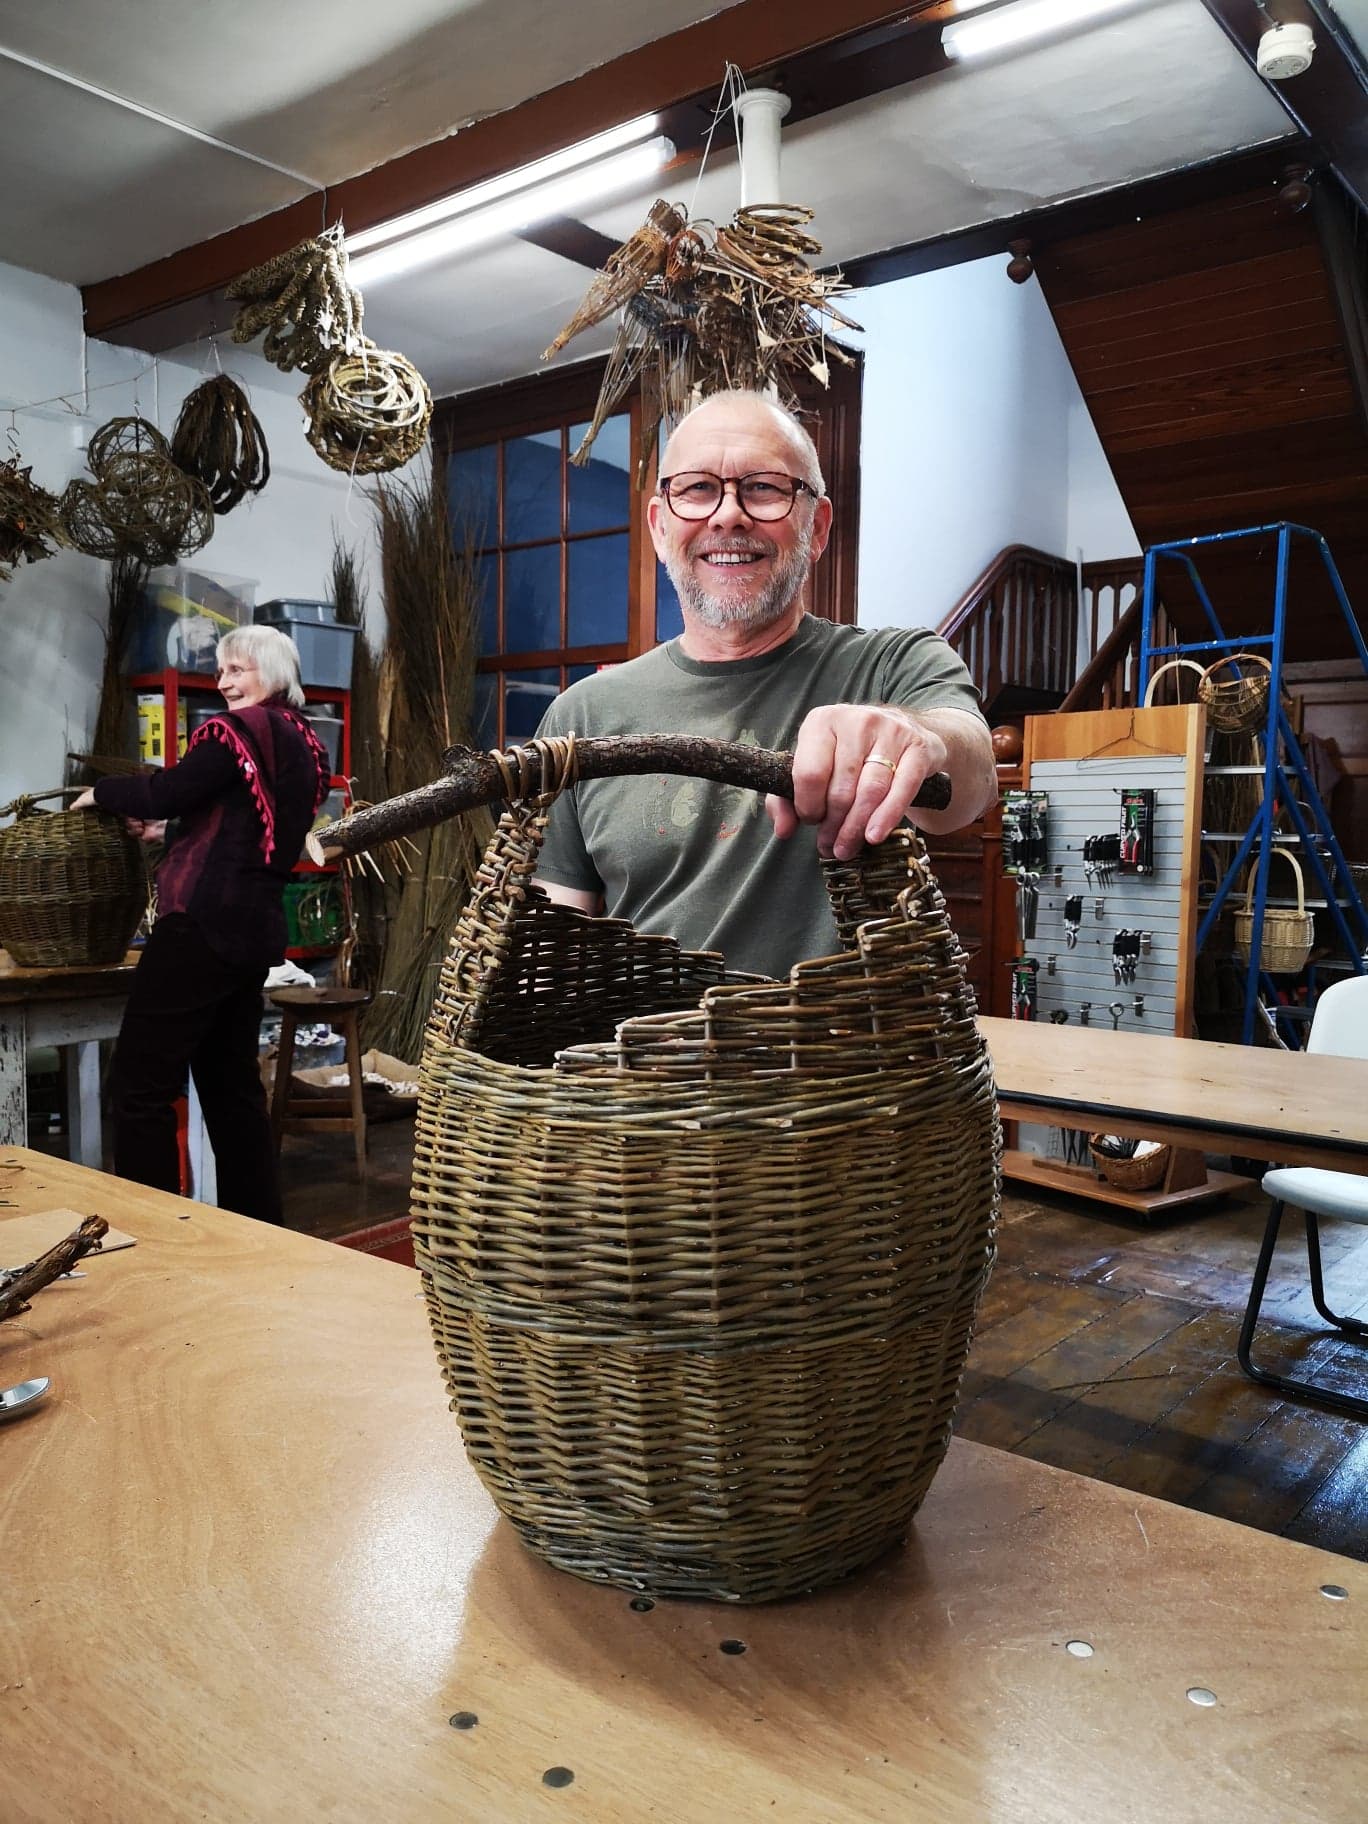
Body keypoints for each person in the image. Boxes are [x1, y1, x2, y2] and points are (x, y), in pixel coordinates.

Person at [534, 389, 998, 977]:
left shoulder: (893, 665)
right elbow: (559, 941)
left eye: (764, 488)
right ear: (658, 526)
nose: (728, 515)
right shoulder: (583, 718)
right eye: (698, 489)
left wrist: (914, 736)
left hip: (847, 1060)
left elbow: (973, 779)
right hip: (653, 1064)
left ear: (818, 526)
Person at [71, 626, 330, 1222]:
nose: (223, 683)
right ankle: (259, 1227)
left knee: (139, 1086)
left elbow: (167, 790)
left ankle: (156, 1230)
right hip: (251, 930)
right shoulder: (303, 741)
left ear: (271, 670)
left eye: (238, 669)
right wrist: (172, 832)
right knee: (230, 1087)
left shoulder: (235, 731)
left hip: (201, 927)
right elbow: (239, 823)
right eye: (221, 671)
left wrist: (102, 793)